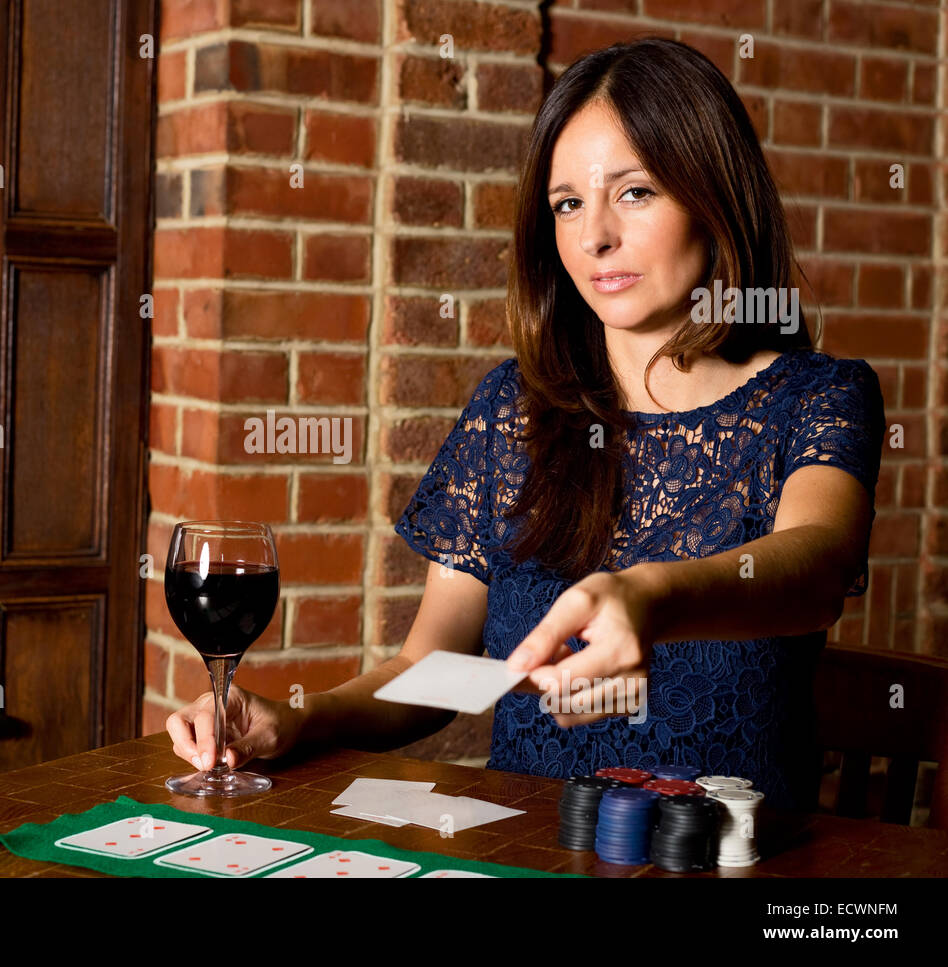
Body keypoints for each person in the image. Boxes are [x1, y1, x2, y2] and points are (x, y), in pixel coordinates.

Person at [165, 37, 885, 811]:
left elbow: (815, 567)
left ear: (715, 194)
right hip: (526, 854)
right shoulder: (514, 408)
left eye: (635, 192)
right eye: (568, 202)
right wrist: (300, 718)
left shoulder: (817, 396)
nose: (593, 236)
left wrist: (651, 596)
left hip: (723, 865)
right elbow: (437, 670)